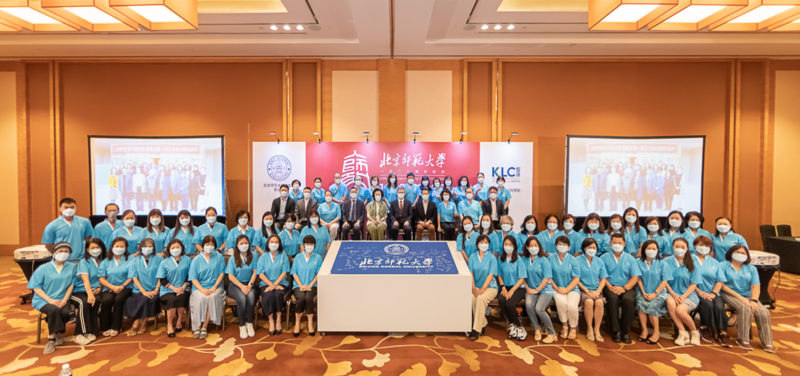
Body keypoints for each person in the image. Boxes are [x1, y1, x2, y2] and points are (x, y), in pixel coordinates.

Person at [720, 245, 774, 352]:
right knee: (744, 307)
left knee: (763, 312)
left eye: (743, 253)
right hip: (728, 294)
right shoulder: (723, 265)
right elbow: (722, 285)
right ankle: (742, 339)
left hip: (747, 295)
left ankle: (767, 342)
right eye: (738, 252)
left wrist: (754, 301)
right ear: (731, 253)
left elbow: (755, 286)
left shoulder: (751, 268)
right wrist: (741, 298)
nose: (740, 255)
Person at [28, 242, 77, 354]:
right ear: (54, 253)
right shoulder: (43, 268)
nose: (63, 253)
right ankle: (51, 339)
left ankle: (52, 323)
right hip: (43, 300)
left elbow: (71, 285)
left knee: (66, 312)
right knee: (54, 310)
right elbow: (36, 287)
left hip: (62, 298)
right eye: (60, 251)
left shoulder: (71, 267)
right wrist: (50, 300)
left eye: (66, 251)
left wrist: (65, 300)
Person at [601, 233, 640, 344]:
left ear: (624, 244)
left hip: (627, 287)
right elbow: (602, 276)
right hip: (610, 286)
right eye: (614, 242)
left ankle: (625, 331)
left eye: (619, 243)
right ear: (610, 243)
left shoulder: (630, 259)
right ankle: (616, 331)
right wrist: (610, 287)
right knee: (612, 299)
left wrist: (624, 288)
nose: (617, 245)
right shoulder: (603, 258)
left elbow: (635, 277)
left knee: (628, 300)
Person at [693, 235, 731, 347]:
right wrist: (699, 292)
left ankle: (722, 332)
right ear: (695, 246)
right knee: (708, 305)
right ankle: (705, 327)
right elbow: (687, 279)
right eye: (701, 245)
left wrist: (713, 294)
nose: (703, 248)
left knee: (719, 306)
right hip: (695, 292)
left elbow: (720, 281)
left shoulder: (715, 262)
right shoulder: (689, 260)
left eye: (707, 246)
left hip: (713, 292)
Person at [664, 237, 702, 346]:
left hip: (688, 295)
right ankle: (683, 333)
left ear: (687, 248)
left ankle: (694, 333)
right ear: (672, 247)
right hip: (670, 292)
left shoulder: (692, 263)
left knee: (680, 310)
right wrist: (674, 294)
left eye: (682, 247)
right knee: (670, 302)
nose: (679, 249)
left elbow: (693, 284)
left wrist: (683, 296)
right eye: (677, 246)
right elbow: (664, 281)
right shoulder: (665, 262)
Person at [189, 235, 226, 339]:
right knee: (201, 298)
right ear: (203, 245)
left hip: (216, 287)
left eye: (212, 244)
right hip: (199, 287)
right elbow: (193, 278)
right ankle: (197, 326)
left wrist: (214, 286)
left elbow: (221, 274)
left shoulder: (219, 257)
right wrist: (201, 289)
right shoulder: (196, 259)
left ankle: (204, 326)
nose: (209, 246)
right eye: (207, 244)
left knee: (211, 297)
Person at [521, 237, 557, 343]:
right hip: (530, 288)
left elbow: (547, 278)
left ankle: (552, 333)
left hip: (545, 289)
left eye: (536, 245)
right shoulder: (524, 260)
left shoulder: (544, 260)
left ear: (539, 247)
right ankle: (537, 328)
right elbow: (522, 276)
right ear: (527, 247)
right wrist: (527, 288)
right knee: (528, 305)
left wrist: (537, 290)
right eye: (531, 245)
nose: (534, 248)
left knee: (539, 309)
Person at [125, 238, 162, 336]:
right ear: (140, 248)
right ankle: (140, 321)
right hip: (139, 290)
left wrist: (156, 289)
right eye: (145, 246)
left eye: (150, 246)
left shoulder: (159, 259)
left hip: (155, 289)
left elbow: (161, 276)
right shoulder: (134, 261)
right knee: (143, 298)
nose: (147, 248)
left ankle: (138, 322)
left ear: (153, 248)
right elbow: (134, 278)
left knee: (148, 299)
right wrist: (144, 291)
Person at [72, 238, 105, 345]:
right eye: (92, 248)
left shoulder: (103, 261)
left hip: (95, 289)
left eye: (97, 247)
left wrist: (99, 288)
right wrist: (90, 294)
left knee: (98, 301)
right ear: (87, 249)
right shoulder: (84, 262)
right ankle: (79, 333)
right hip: (79, 290)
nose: (95, 250)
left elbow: (103, 277)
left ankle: (91, 330)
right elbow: (85, 279)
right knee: (85, 302)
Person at [635, 240, 669, 345]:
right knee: (641, 304)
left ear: (657, 250)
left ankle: (656, 332)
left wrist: (655, 293)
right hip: (643, 291)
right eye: (649, 248)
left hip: (658, 293)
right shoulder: (637, 262)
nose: (651, 250)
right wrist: (643, 292)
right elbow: (638, 278)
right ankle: (644, 330)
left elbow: (665, 281)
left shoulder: (663, 263)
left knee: (653, 306)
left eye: (654, 248)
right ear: (644, 250)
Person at [98, 238, 132, 337]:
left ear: (126, 248)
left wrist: (122, 286)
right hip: (109, 287)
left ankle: (116, 326)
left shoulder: (131, 259)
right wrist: (112, 287)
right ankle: (104, 327)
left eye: (122, 246)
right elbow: (101, 278)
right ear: (112, 247)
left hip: (126, 287)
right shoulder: (105, 261)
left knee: (118, 299)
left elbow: (132, 276)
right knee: (106, 300)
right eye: (117, 246)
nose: (119, 248)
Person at [227, 235, 259, 339]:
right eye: (241, 243)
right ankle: (242, 325)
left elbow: (255, 272)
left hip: (249, 284)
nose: (244, 245)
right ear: (237, 245)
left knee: (250, 298)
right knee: (242, 299)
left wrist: (249, 285)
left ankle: (249, 322)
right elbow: (230, 276)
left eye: (246, 243)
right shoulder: (233, 258)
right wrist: (241, 286)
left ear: (249, 244)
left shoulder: (254, 256)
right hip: (236, 285)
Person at [157, 239, 191, 338]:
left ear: (182, 248)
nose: (175, 249)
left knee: (181, 297)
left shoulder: (187, 260)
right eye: (173, 248)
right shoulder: (164, 262)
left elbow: (190, 275)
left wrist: (183, 287)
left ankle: (179, 321)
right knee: (171, 300)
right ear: (168, 249)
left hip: (183, 288)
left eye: (177, 247)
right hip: (167, 289)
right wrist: (174, 289)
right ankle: (169, 324)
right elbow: (162, 279)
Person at [258, 234, 290, 336]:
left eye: (276, 242)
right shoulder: (263, 257)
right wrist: (271, 285)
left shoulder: (283, 256)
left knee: (277, 294)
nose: (274, 244)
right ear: (268, 243)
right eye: (272, 242)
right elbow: (261, 274)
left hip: (281, 283)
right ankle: (271, 320)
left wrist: (275, 285)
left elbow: (284, 272)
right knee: (268, 295)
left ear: (279, 244)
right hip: (266, 284)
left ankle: (279, 319)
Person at [576, 238, 608, 342]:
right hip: (583, 290)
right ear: (584, 248)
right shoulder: (577, 260)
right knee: (589, 302)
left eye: (594, 248)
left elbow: (603, 279)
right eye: (590, 247)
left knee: (599, 302)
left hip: (596, 290)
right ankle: (589, 328)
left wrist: (598, 291)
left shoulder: (599, 261)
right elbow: (576, 279)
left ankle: (597, 329)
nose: (592, 250)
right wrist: (586, 290)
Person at [467, 235, 498, 341]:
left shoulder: (492, 258)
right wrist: (473, 288)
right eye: (481, 242)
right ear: (477, 244)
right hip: (475, 286)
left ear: (489, 245)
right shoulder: (472, 257)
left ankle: (476, 330)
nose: (484, 244)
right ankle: (483, 322)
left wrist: (482, 290)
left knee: (480, 299)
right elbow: (471, 273)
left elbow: (491, 275)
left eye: (486, 242)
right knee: (471, 298)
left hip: (490, 287)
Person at [549, 236, 580, 340]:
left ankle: (573, 328)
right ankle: (565, 326)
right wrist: (557, 288)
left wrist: (567, 289)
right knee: (561, 302)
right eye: (560, 244)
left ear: (569, 247)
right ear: (556, 246)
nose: (562, 246)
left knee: (571, 305)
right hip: (556, 288)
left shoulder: (573, 260)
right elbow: (548, 276)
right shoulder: (550, 258)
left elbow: (576, 278)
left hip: (572, 288)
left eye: (564, 245)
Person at [292, 236, 323, 337]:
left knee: (309, 298)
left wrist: (310, 285)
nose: (309, 246)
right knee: (301, 298)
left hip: (312, 285)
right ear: (304, 245)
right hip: (298, 285)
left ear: (314, 245)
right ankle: (297, 323)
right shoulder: (298, 257)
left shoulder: (318, 258)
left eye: (311, 244)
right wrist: (301, 285)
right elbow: (294, 273)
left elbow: (318, 273)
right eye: (307, 244)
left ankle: (310, 322)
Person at [497, 235, 527, 341]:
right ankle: (512, 324)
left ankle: (519, 326)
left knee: (509, 304)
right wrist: (503, 287)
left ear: (514, 246)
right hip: (506, 286)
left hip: (518, 287)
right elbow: (499, 275)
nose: (508, 246)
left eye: (510, 244)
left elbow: (522, 278)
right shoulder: (501, 259)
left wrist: (512, 290)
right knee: (501, 300)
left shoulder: (518, 259)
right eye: (506, 244)